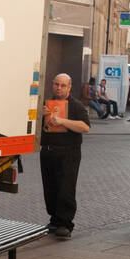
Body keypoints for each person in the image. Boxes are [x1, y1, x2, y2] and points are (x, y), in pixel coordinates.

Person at [40, 73, 90, 239]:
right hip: (48, 151)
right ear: (52, 85)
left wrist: (62, 121)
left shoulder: (76, 106)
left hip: (68, 152)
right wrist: (39, 115)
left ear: (69, 87)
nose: (59, 88)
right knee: (50, 187)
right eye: (56, 85)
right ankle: (54, 219)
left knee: (65, 188)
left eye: (63, 85)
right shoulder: (46, 104)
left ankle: (65, 223)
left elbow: (85, 127)